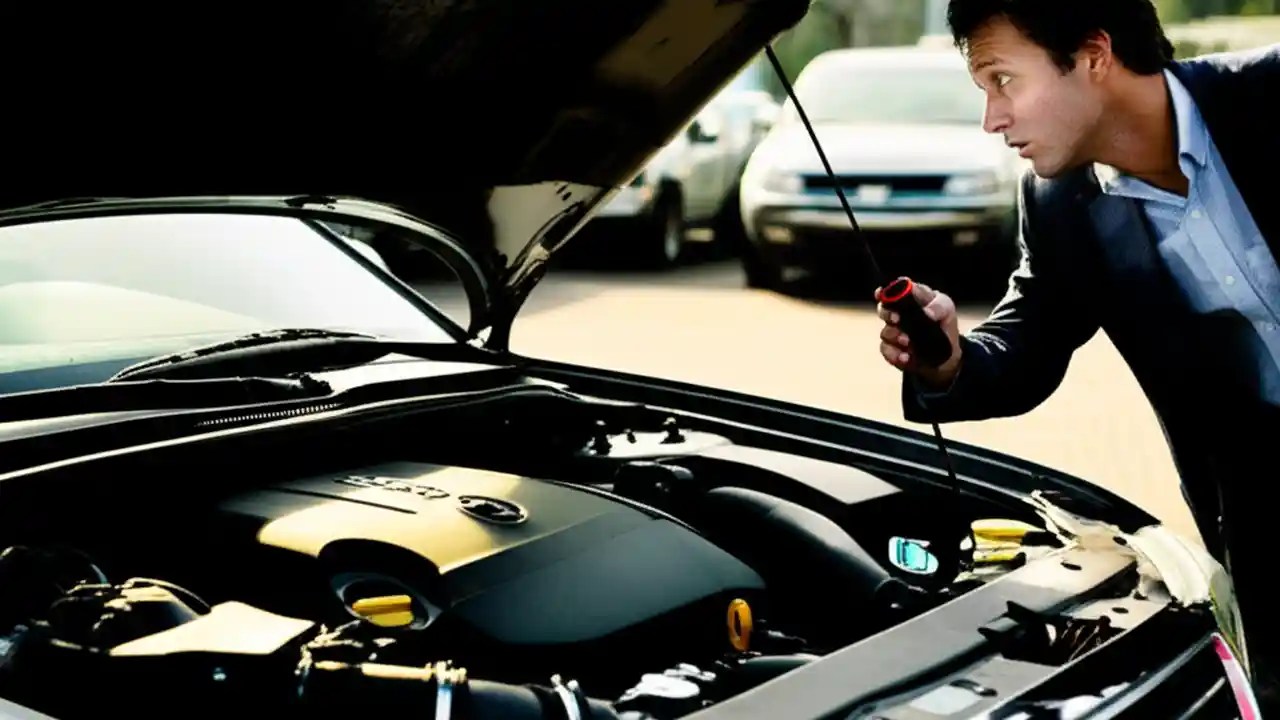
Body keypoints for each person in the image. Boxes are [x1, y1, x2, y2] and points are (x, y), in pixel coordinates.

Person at [874, 0, 1280, 708]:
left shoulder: (1274, 96)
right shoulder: (1058, 203)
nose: (992, 120)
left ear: (1094, 55)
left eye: (1003, 81)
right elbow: (1028, 339)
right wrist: (952, 362)